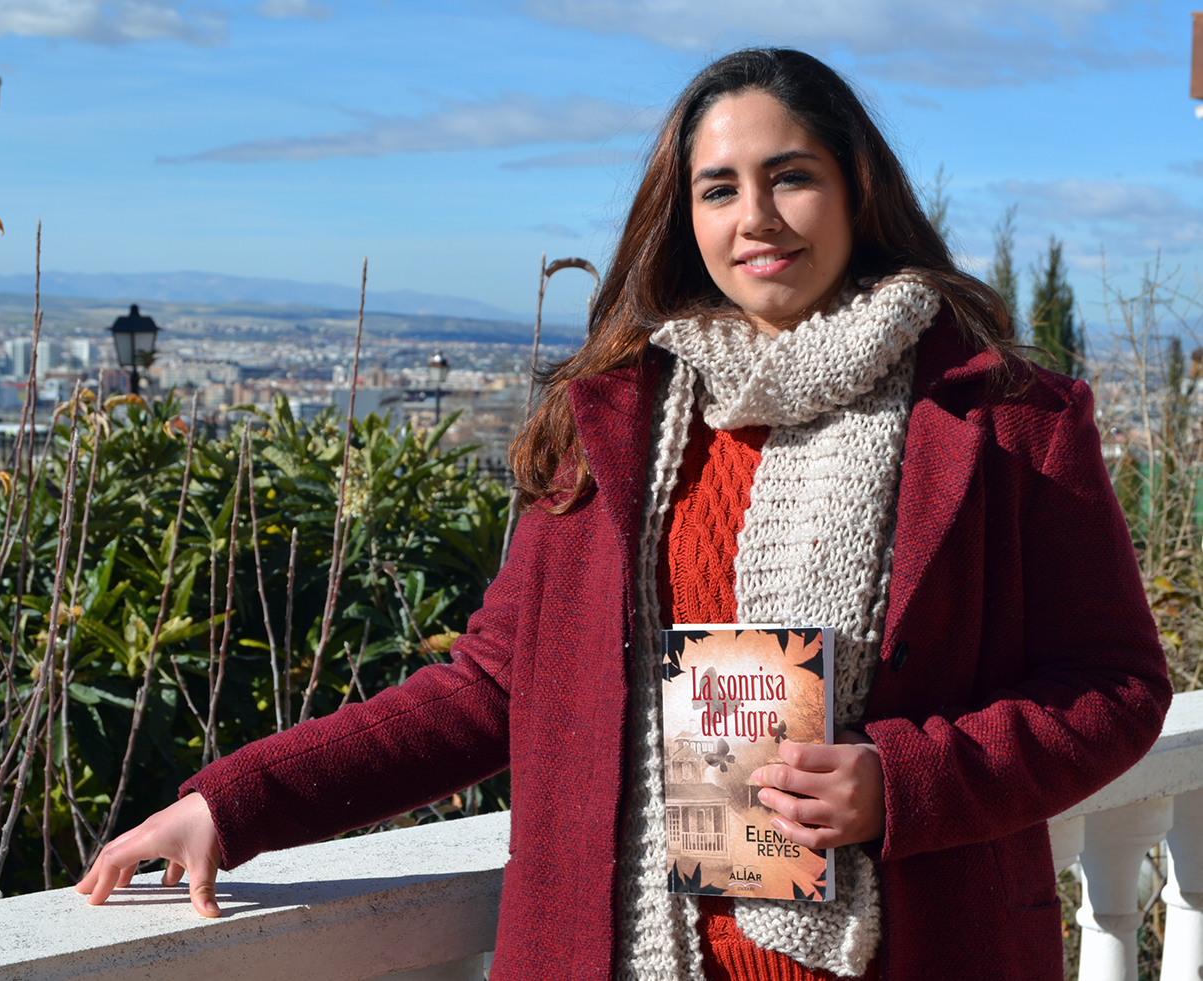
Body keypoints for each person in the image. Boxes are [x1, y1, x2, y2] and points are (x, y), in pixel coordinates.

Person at [78, 48, 1172, 981]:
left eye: (789, 177)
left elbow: (1117, 688)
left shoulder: (1001, 421)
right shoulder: (616, 428)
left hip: (924, 951)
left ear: (855, 190)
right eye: (718, 188)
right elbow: (489, 689)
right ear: (683, 211)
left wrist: (904, 781)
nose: (755, 219)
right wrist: (236, 803)